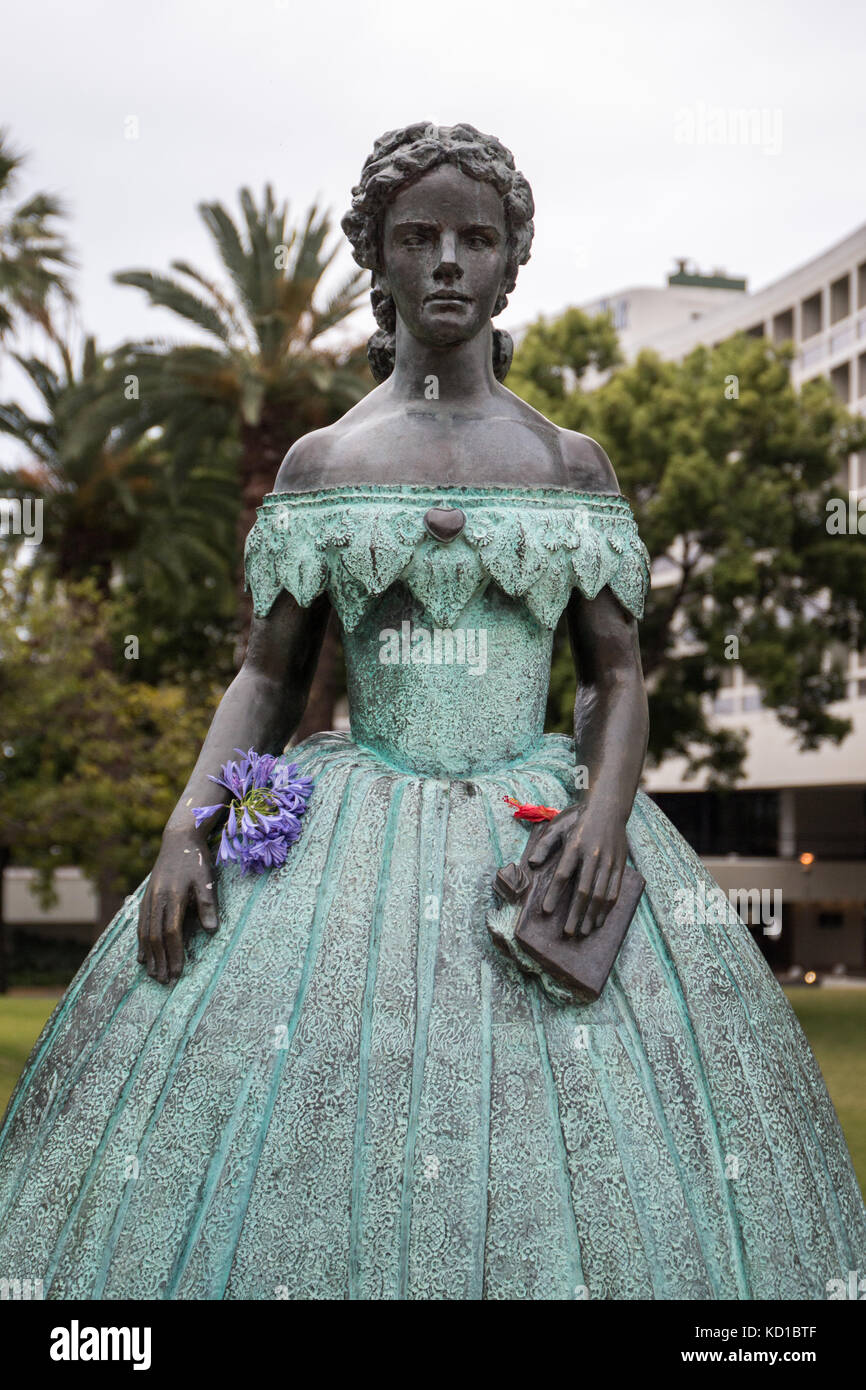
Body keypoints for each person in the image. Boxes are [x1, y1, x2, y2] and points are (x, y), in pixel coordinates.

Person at [1, 122, 863, 1300]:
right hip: (346, 841)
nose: (449, 260)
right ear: (380, 259)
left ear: (513, 262)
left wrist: (603, 817)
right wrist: (185, 825)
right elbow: (265, 678)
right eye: (420, 238)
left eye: (477, 237)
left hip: (544, 831)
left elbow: (615, 676)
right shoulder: (323, 466)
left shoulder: (569, 466)